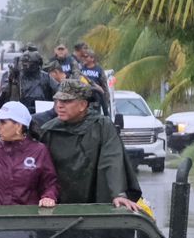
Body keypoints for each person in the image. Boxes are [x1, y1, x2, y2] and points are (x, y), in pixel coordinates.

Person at [36, 80, 137, 209]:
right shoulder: (48, 130)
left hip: (95, 204)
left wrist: (118, 194)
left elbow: (112, 159)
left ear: (83, 105)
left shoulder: (102, 126)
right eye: (57, 101)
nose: (59, 106)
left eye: (66, 101)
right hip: (58, 206)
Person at [2, 49, 58, 115]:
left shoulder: (45, 77)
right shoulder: (17, 77)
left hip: (41, 112)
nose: (25, 65)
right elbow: (7, 97)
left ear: (37, 64)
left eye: (28, 63)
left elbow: (58, 90)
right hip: (21, 112)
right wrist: (12, 81)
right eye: (23, 62)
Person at [74, 43, 111, 113]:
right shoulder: (80, 69)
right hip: (83, 98)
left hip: (95, 100)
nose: (83, 59)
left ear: (92, 58)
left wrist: (105, 102)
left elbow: (104, 86)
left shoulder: (99, 70)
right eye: (83, 57)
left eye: (86, 57)